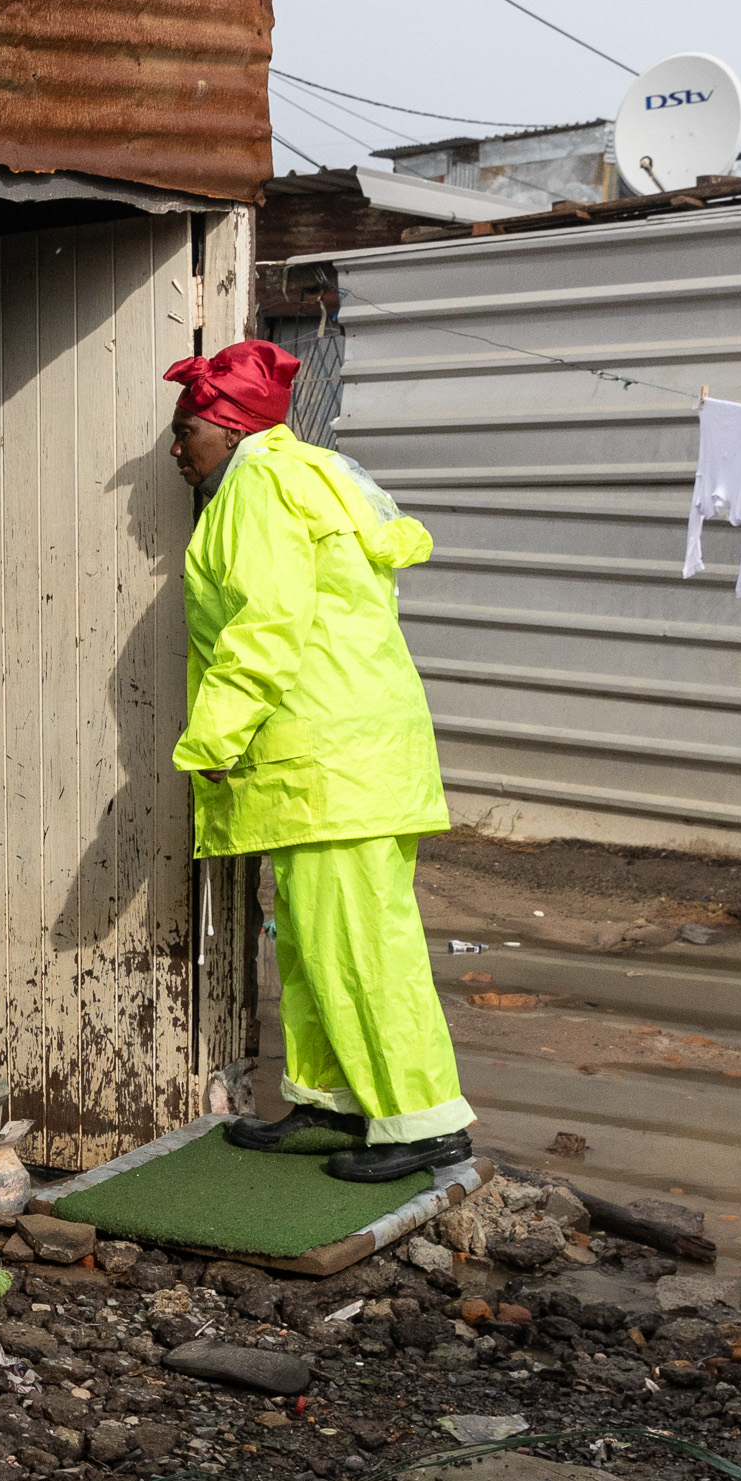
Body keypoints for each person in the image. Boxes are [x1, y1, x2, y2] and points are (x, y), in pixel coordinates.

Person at [165, 340, 475, 1183]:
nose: (175, 447)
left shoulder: (257, 489)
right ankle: (328, 1099)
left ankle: (425, 1120)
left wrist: (212, 742)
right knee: (311, 940)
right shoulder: (305, 475)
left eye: (186, 427)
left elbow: (265, 627)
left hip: (331, 764)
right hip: (334, 759)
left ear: (228, 429)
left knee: (364, 945)